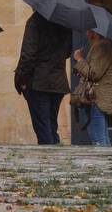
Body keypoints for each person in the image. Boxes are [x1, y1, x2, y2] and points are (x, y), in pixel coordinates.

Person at [14, 10, 72, 145]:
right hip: (58, 82)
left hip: (38, 83)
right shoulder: (65, 23)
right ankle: (56, 159)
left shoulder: (35, 21)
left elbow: (28, 56)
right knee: (51, 126)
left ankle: (50, 161)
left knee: (43, 128)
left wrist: (21, 79)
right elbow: (67, 52)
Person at [73, 30, 112, 146]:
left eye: (89, 29)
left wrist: (79, 59)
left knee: (98, 140)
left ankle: (102, 163)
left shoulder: (102, 46)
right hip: (97, 98)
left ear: (95, 31)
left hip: (96, 98)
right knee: (102, 138)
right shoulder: (103, 45)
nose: (86, 32)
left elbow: (94, 74)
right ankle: (108, 163)